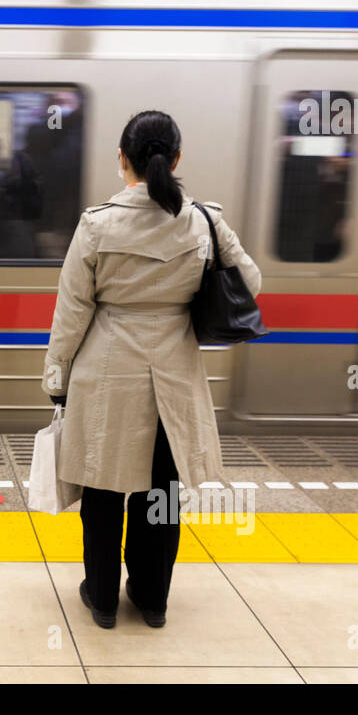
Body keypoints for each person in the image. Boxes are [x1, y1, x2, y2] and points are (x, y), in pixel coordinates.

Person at [41, 110, 261, 629]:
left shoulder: (97, 224)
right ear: (176, 159)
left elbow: (72, 310)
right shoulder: (204, 220)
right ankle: (153, 598)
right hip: (174, 375)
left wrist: (56, 376)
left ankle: (100, 599)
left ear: (123, 160)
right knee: (160, 491)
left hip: (106, 372)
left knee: (102, 488)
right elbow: (248, 280)